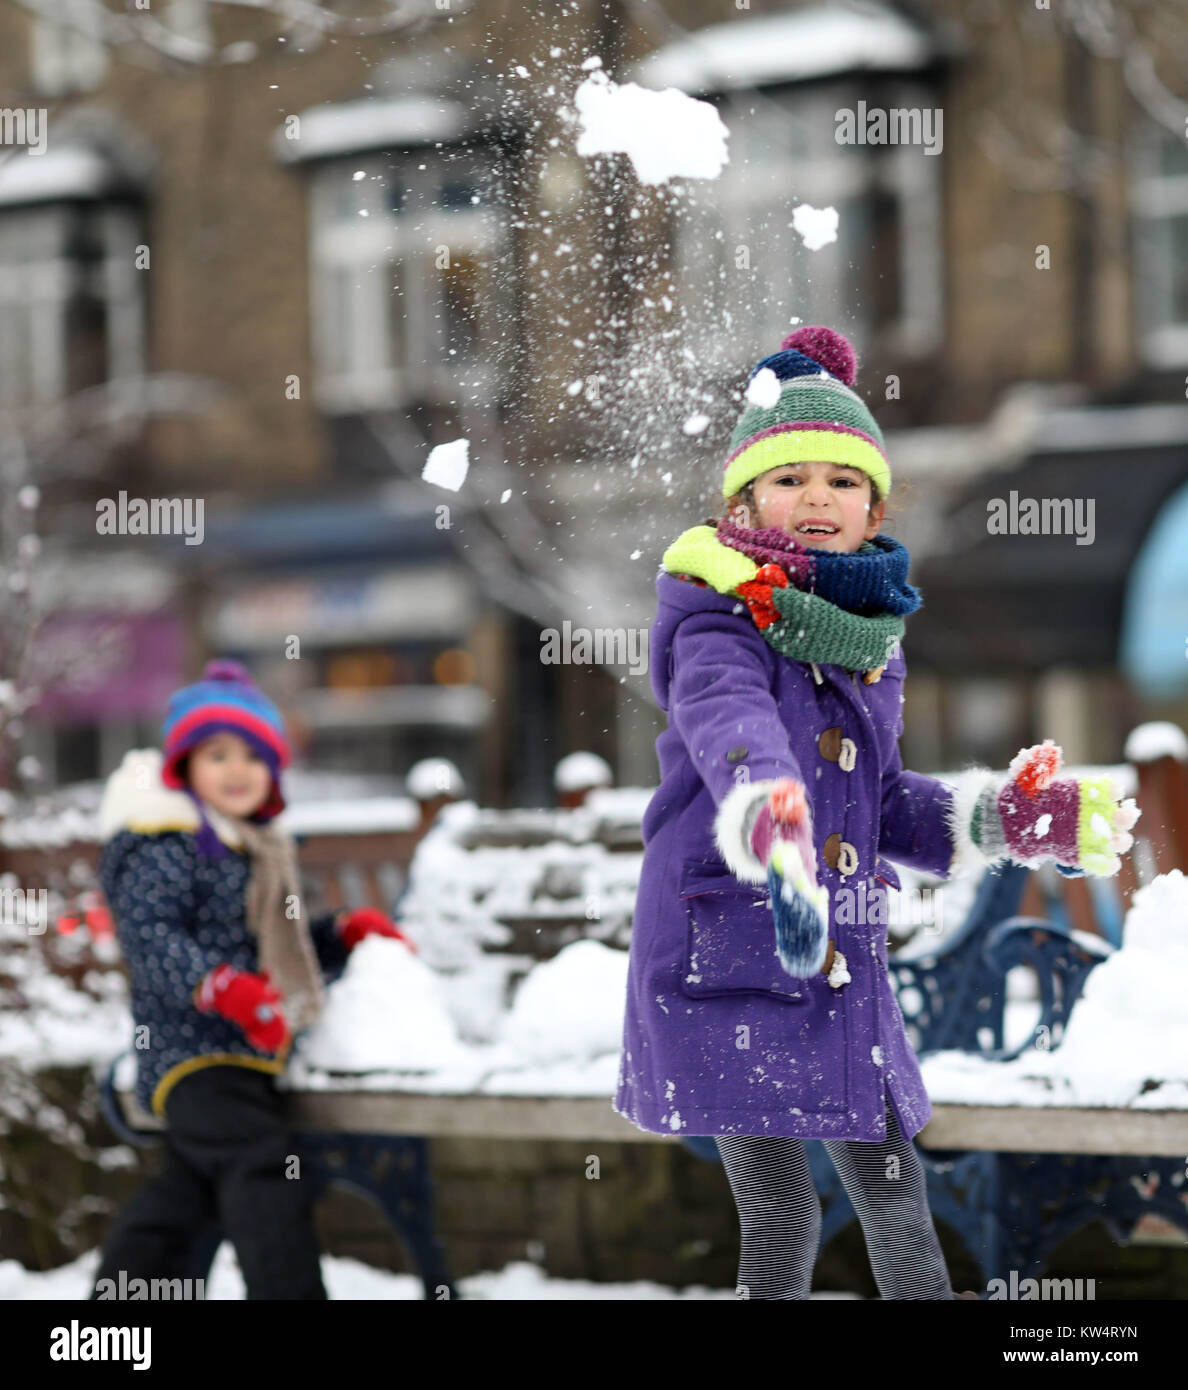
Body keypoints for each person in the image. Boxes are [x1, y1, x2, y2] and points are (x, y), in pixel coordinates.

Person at [613, 325, 1139, 1300]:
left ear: (874, 507)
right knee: (784, 1207)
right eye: (789, 477)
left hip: (842, 959)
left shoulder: (869, 639)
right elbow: (731, 724)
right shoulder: (716, 616)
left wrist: (1015, 819)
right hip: (739, 945)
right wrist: (771, 818)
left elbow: (886, 801)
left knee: (893, 1195)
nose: (818, 496)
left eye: (843, 481)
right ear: (742, 501)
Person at [89, 659, 409, 1300]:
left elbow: (269, 951)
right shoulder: (169, 844)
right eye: (218, 754)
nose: (238, 770)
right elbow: (149, 937)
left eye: (253, 757)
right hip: (192, 1054)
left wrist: (338, 933)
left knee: (189, 1195)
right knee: (264, 1176)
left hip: (243, 1057)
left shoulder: (253, 849)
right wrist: (221, 988)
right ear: (184, 766)